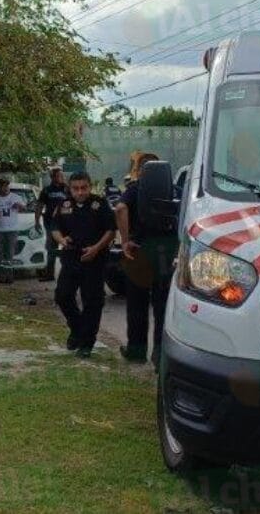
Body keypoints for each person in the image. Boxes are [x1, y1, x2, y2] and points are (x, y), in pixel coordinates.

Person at [115, 153, 174, 367]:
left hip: (139, 250)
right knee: (161, 305)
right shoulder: (172, 189)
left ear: (140, 170)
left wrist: (124, 241)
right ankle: (159, 354)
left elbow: (120, 208)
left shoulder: (135, 188)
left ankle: (137, 350)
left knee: (137, 303)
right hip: (165, 252)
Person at [52, 172, 116, 358]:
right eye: (76, 188)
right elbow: (55, 228)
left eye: (84, 188)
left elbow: (111, 231)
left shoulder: (99, 204)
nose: (80, 192)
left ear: (90, 186)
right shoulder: (64, 205)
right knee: (63, 296)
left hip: (95, 259)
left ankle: (87, 344)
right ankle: (77, 329)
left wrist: (96, 249)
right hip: (71, 257)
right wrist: (61, 240)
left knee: (92, 301)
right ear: (70, 189)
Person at [0, 178, 25, 279]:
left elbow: (23, 209)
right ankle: (1, 274)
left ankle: (9, 275)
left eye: (7, 186)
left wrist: (19, 206)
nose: (6, 188)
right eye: (3, 186)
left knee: (10, 253)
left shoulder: (16, 197)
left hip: (12, 230)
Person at [34, 166, 69, 282]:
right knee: (51, 249)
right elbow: (39, 206)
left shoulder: (67, 189)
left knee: (68, 247)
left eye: (62, 175)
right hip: (51, 223)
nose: (61, 177)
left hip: (66, 223)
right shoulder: (46, 190)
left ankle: (68, 274)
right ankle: (49, 274)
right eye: (59, 175)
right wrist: (37, 221)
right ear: (52, 177)